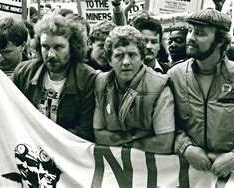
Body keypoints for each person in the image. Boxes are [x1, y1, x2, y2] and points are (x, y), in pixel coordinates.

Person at [168, 8, 234, 177]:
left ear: (220, 41)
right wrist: (185, 147)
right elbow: (168, 122)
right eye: (190, 31)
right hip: (189, 173)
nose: (191, 37)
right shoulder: (175, 75)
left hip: (233, 173)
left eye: (200, 33)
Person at [12, 13, 96, 141]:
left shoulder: (87, 77)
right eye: (45, 47)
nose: (51, 54)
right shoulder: (24, 72)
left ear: (72, 47)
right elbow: (8, 112)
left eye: (58, 47)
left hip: (68, 153)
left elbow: (85, 132)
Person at [93, 26, 174, 152]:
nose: (126, 62)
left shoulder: (160, 85)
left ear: (142, 58)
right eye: (119, 55)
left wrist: (120, 141)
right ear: (109, 60)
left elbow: (164, 143)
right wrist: (141, 136)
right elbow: (99, 135)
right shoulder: (100, 82)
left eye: (132, 55)